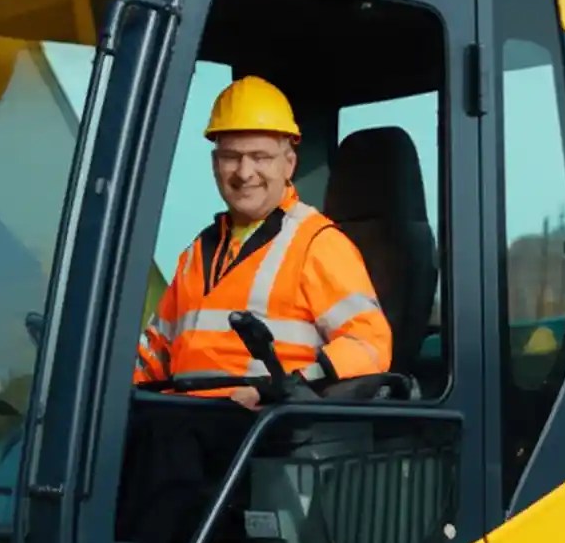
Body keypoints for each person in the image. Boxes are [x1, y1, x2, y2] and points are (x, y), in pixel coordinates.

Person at [132, 74, 393, 406]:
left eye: (260, 157)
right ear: (215, 164)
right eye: (231, 156)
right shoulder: (197, 254)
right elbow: (153, 357)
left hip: (262, 434)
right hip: (185, 419)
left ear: (289, 164)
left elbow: (369, 345)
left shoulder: (317, 244)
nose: (244, 173)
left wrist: (282, 388)